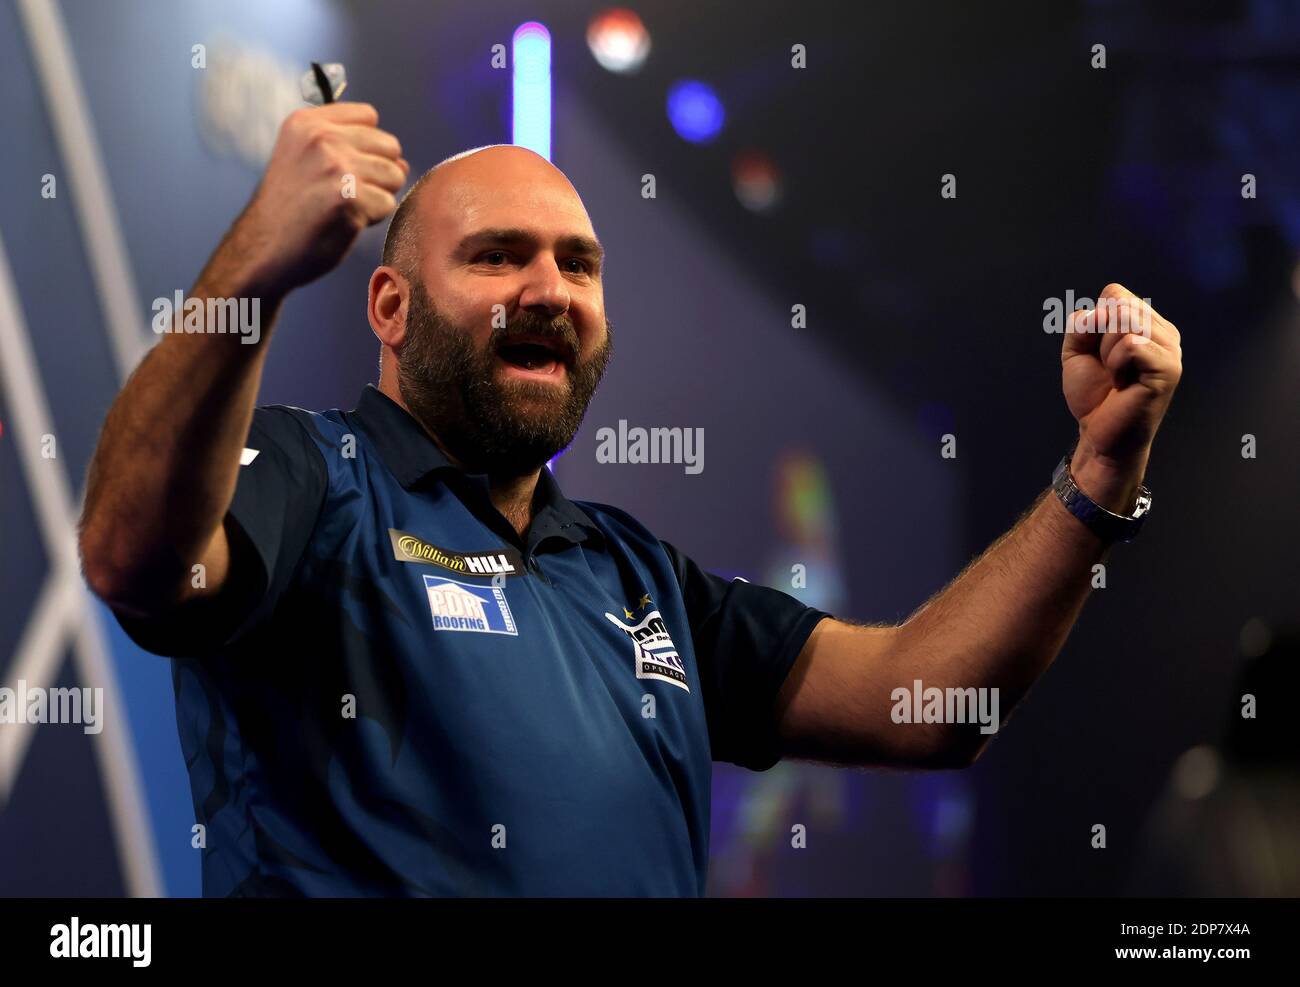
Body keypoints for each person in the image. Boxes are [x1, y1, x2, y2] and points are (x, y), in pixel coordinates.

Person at [78, 101, 1183, 896]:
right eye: (500, 256)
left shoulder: (633, 572)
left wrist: (1096, 473)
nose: (550, 291)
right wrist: (251, 272)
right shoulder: (315, 481)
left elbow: (926, 706)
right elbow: (131, 557)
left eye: (580, 263)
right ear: (388, 304)